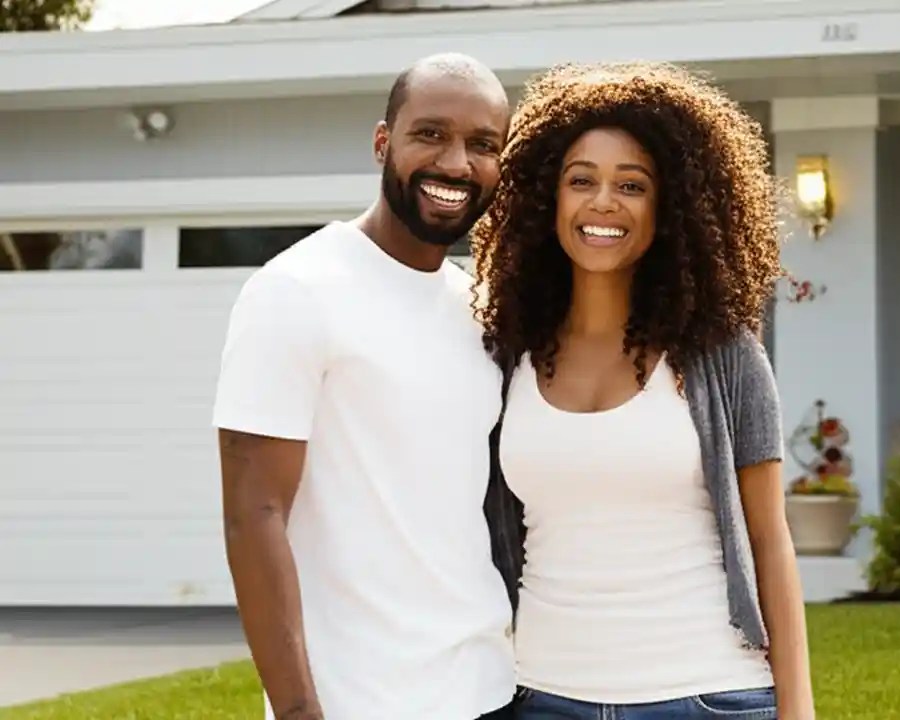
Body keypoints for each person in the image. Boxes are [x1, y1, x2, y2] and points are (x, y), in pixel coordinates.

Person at [472, 62, 816, 720]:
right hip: (544, 697)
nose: (604, 202)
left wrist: (797, 710)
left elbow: (771, 540)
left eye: (632, 185)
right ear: (550, 200)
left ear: (669, 207)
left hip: (703, 692)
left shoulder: (723, 354)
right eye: (582, 181)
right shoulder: (506, 350)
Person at [213, 53, 517, 720]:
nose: (456, 163)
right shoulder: (296, 291)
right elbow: (252, 515)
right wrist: (297, 711)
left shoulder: (480, 309)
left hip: (488, 689)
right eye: (431, 134)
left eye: (482, 144)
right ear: (384, 142)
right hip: (359, 701)